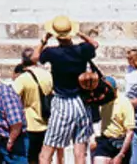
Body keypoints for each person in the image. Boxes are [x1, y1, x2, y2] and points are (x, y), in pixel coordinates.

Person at [31, 15, 98, 164]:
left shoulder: (52, 52)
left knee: (46, 153)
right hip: (81, 103)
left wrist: (44, 40)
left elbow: (34, 58)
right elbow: (95, 44)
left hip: (62, 103)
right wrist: (80, 34)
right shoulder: (82, 49)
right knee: (80, 153)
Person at [12, 49, 54, 164]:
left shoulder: (22, 79)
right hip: (46, 122)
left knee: (31, 158)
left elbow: (12, 98)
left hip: (29, 124)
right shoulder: (47, 75)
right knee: (45, 157)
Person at [91, 77, 133, 164]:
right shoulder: (101, 100)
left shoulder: (124, 103)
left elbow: (130, 132)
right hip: (105, 139)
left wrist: (121, 154)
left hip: (120, 141)